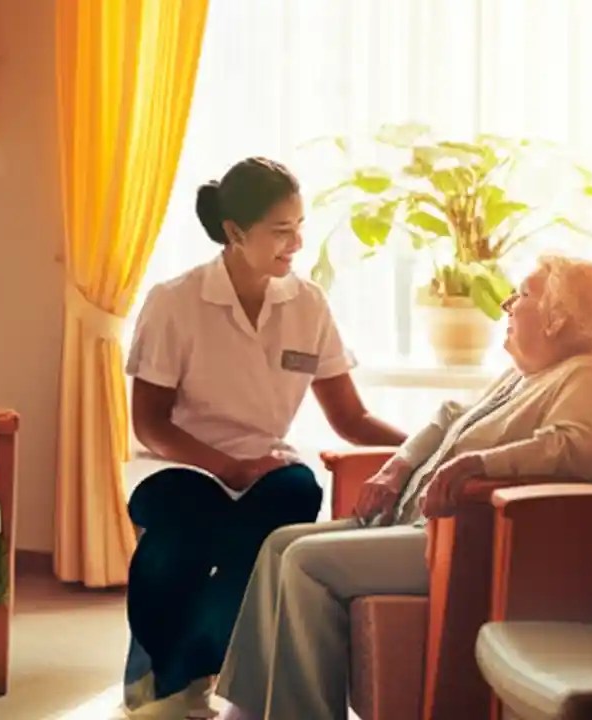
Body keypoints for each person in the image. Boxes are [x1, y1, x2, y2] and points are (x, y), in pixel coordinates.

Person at [215, 254, 592, 720]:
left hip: (467, 541)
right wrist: (398, 465)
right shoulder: (524, 374)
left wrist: (478, 462)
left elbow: (573, 450)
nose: (508, 305)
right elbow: (449, 416)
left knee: (306, 562)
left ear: (559, 316)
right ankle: (245, 710)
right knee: (278, 544)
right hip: (419, 523)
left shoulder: (584, 375)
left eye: (524, 295)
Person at [121, 156, 408, 719]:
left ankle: (171, 675)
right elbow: (150, 423)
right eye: (282, 231)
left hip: (266, 470)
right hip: (181, 465)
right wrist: (231, 467)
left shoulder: (307, 305)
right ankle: (182, 677)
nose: (297, 242)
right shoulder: (174, 301)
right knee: (182, 534)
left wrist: (430, 447)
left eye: (300, 226)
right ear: (234, 232)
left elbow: (351, 419)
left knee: (295, 495)